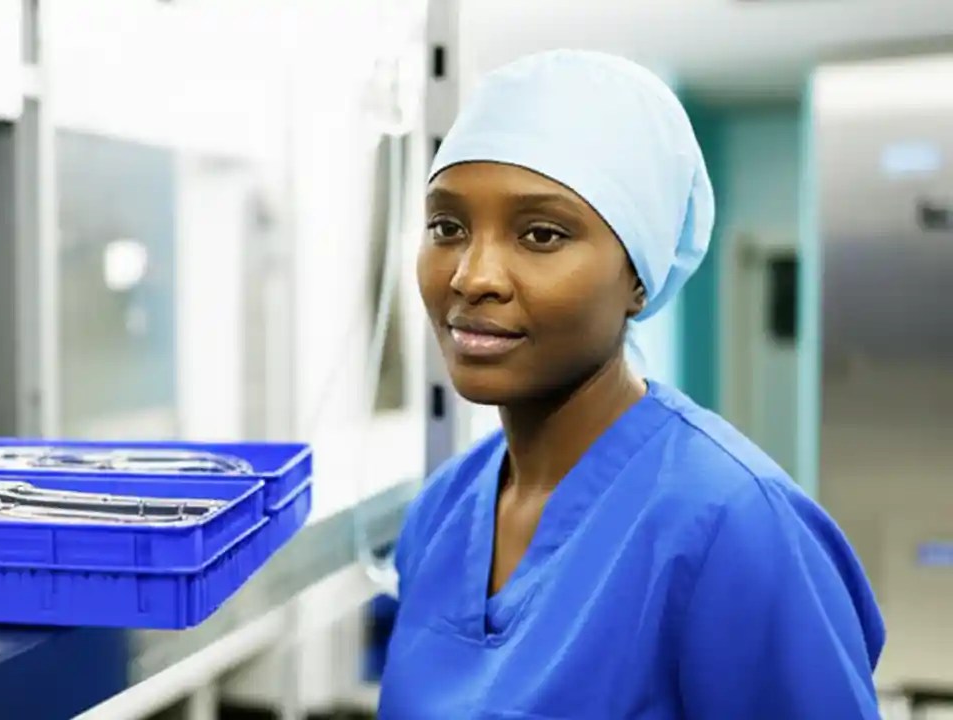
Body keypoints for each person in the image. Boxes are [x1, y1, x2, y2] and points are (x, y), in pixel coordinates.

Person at [378, 50, 884, 719]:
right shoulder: (442, 511)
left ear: (638, 277)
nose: (473, 276)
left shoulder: (734, 527)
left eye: (540, 234)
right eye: (447, 226)